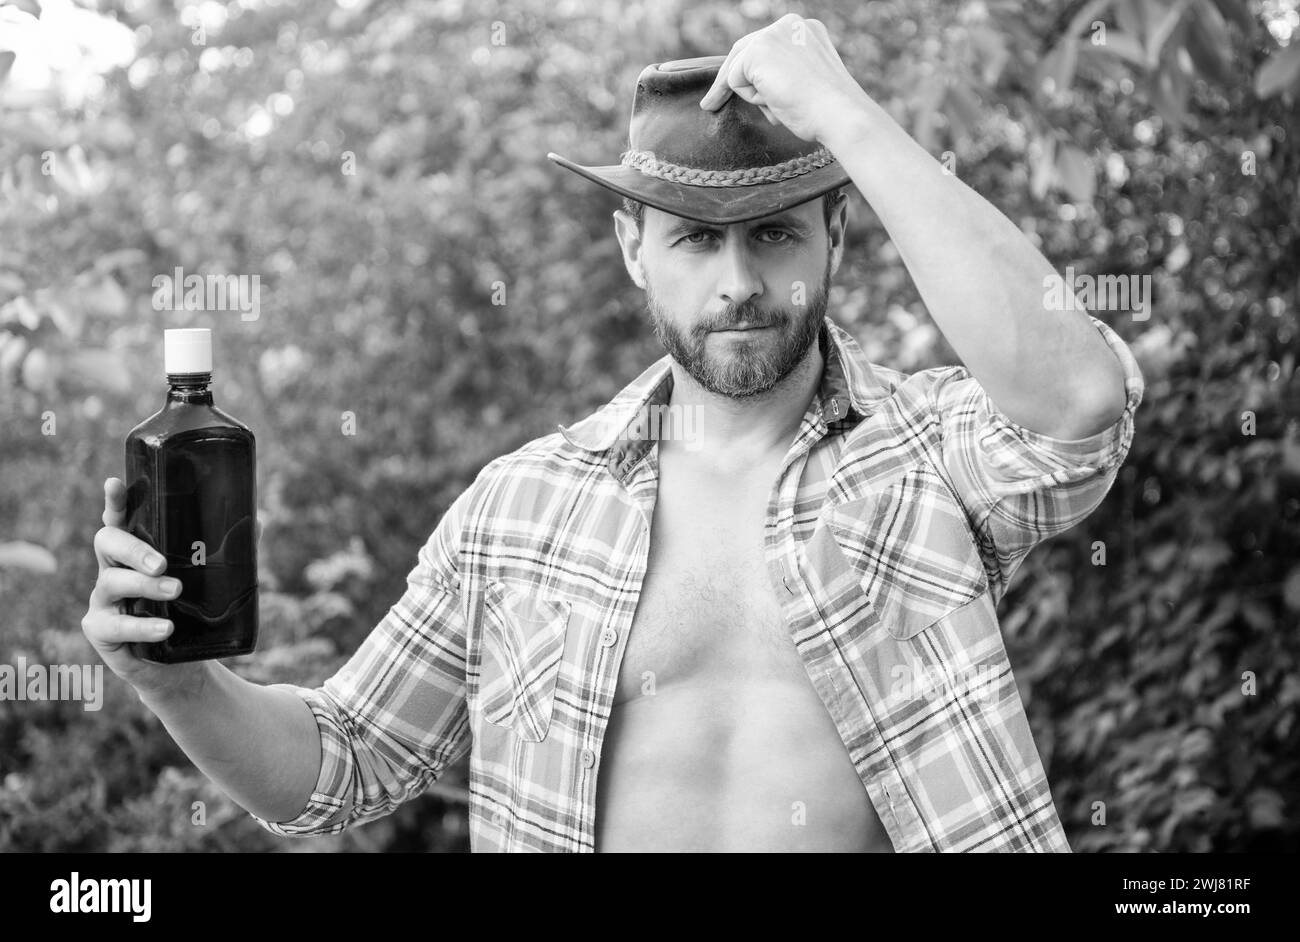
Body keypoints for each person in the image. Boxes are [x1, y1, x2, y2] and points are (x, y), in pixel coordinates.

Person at [83, 15, 1144, 852]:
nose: (739, 286)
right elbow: (341, 765)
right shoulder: (521, 508)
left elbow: (1080, 401)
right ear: (633, 248)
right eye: (694, 240)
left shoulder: (930, 454)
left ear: (837, 232)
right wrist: (176, 680)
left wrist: (848, 117)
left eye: (774, 233)